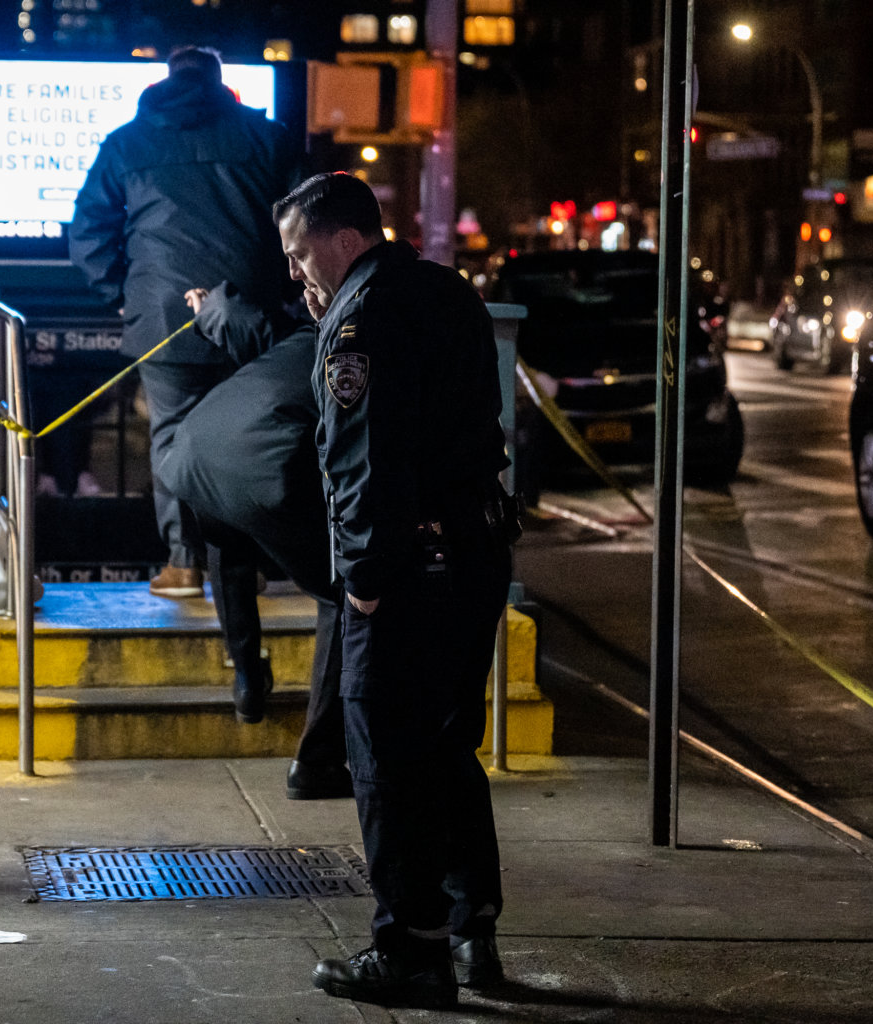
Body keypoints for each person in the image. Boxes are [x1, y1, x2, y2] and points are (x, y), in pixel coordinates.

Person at [275, 173, 518, 1009]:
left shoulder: (360, 319)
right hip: (477, 550)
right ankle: (470, 929)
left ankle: (407, 950)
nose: (297, 275)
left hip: (408, 570)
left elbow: (361, 461)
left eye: (301, 255)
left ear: (343, 240)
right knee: (450, 746)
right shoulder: (445, 290)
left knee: (384, 755)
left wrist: (366, 581)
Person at [69, 45, 302, 599]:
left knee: (171, 437)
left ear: (168, 79)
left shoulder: (127, 141)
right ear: (221, 82)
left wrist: (123, 296)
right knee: (248, 440)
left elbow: (86, 232)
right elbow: (305, 219)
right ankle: (247, 562)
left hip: (165, 319)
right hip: (247, 316)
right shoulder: (267, 137)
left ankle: (184, 564)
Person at [160, 283, 349, 799]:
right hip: (260, 464)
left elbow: (238, 316)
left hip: (194, 451)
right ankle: (318, 762)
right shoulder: (356, 350)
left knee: (228, 548)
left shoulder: (296, 334)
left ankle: (247, 680)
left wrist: (206, 310)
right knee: (344, 593)